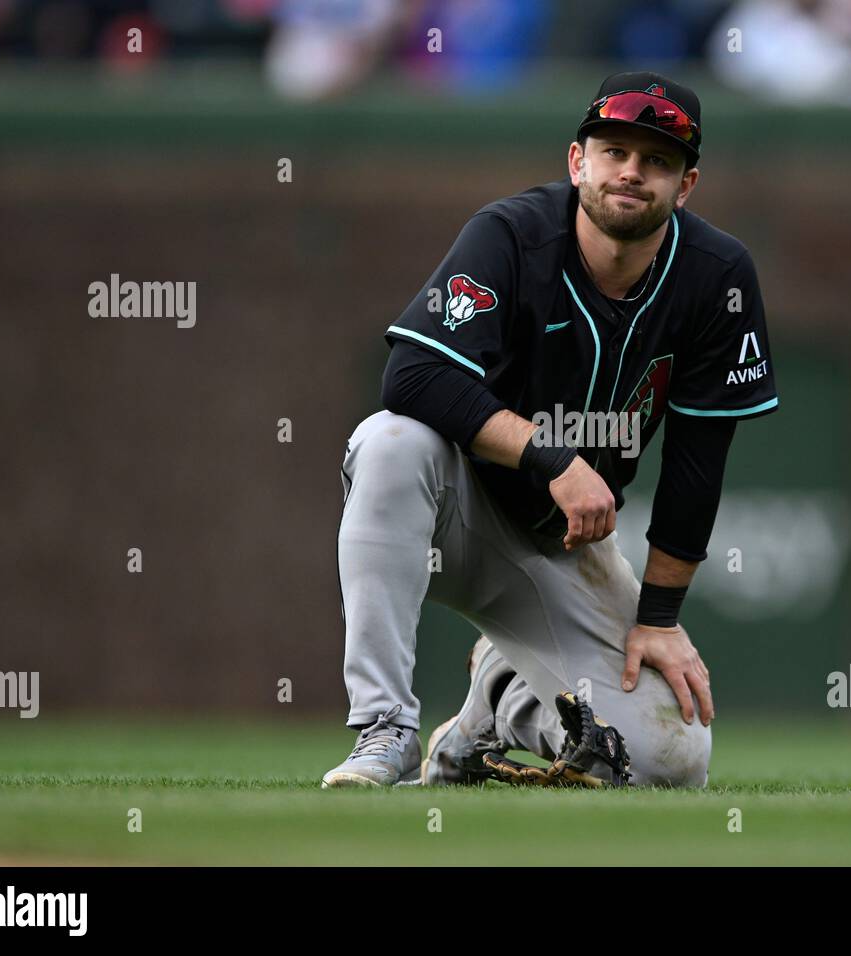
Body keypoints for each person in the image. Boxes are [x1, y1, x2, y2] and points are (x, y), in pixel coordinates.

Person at [322, 71, 779, 789]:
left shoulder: (716, 275)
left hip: (559, 550)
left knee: (671, 761)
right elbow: (411, 377)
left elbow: (698, 461)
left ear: (685, 186)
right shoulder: (509, 234)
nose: (632, 172)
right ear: (577, 162)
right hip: (454, 508)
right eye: (614, 151)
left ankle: (491, 710)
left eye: (657, 160)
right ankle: (385, 728)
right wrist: (553, 457)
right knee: (391, 440)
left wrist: (658, 619)